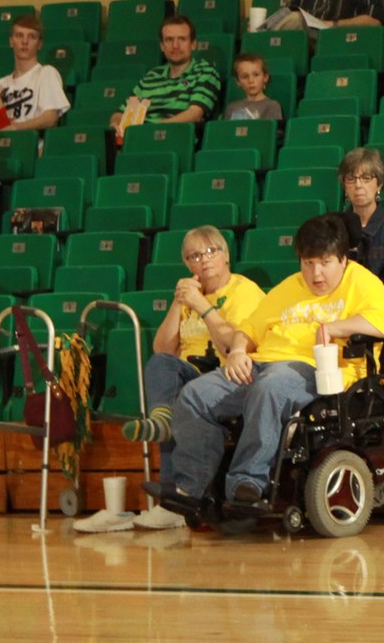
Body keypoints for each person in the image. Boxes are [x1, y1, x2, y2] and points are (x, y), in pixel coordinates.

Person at [159, 215, 384, 515]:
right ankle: (192, 489)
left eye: (325, 263)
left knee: (270, 386)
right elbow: (249, 329)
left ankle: (247, 482)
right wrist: (238, 351)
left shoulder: (361, 282)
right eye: (308, 263)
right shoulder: (289, 287)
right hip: (262, 363)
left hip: (314, 368)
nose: (316, 273)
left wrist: (335, 327)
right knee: (195, 395)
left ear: (342, 259)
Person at [81, 226, 266, 533]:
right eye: (194, 256)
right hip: (190, 373)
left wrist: (202, 306)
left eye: (211, 252)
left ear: (226, 255)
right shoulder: (189, 296)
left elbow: (235, 345)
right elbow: (163, 348)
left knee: (179, 401)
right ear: (187, 264)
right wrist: (179, 303)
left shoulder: (244, 291)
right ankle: (169, 474)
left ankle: (176, 501)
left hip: (228, 376)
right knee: (161, 373)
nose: (204, 260)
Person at [119, 15, 222, 128]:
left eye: (182, 39)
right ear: (162, 46)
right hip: (142, 135)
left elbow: (195, 115)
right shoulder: (151, 76)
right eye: (169, 40)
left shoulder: (205, 72)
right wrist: (115, 123)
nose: (175, 46)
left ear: (193, 44)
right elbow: (121, 113)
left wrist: (152, 129)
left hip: (177, 135)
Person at [339, 147, 384, 281]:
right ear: (344, 186)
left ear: (379, 184)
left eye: (366, 178)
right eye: (351, 178)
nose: (358, 185)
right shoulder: (334, 227)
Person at [0, 16, 68, 132]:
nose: (25, 42)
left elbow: (50, 119)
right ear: (11, 41)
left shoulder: (46, 73)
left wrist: (15, 128)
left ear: (40, 44)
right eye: (19, 35)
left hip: (32, 140)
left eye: (32, 37)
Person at [222, 53, 282, 121]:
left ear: (265, 77)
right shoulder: (231, 108)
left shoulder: (272, 106)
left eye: (256, 75)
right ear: (238, 82)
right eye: (245, 76)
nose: (251, 81)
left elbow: (270, 127)